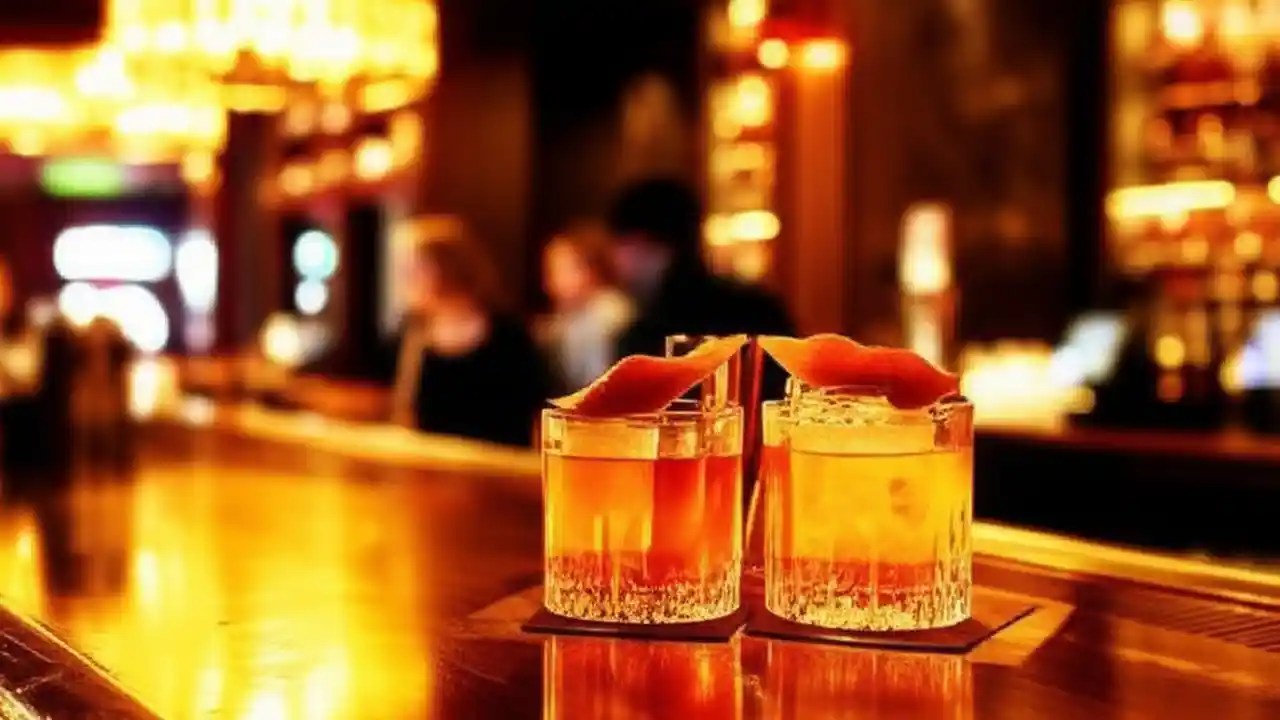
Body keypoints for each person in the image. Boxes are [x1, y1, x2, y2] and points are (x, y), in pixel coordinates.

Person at [391, 226, 549, 447]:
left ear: (448, 267)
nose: (406, 278)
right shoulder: (414, 336)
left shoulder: (509, 335)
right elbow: (407, 417)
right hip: (434, 470)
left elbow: (538, 417)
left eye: (415, 268)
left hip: (500, 471)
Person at [607, 178, 795, 359]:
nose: (615, 259)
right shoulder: (760, 307)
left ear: (642, 243)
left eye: (618, 245)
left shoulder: (644, 337)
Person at [539, 224, 633, 394]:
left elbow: (595, 387)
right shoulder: (571, 319)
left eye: (559, 270)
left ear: (590, 270)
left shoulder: (609, 315)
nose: (549, 284)